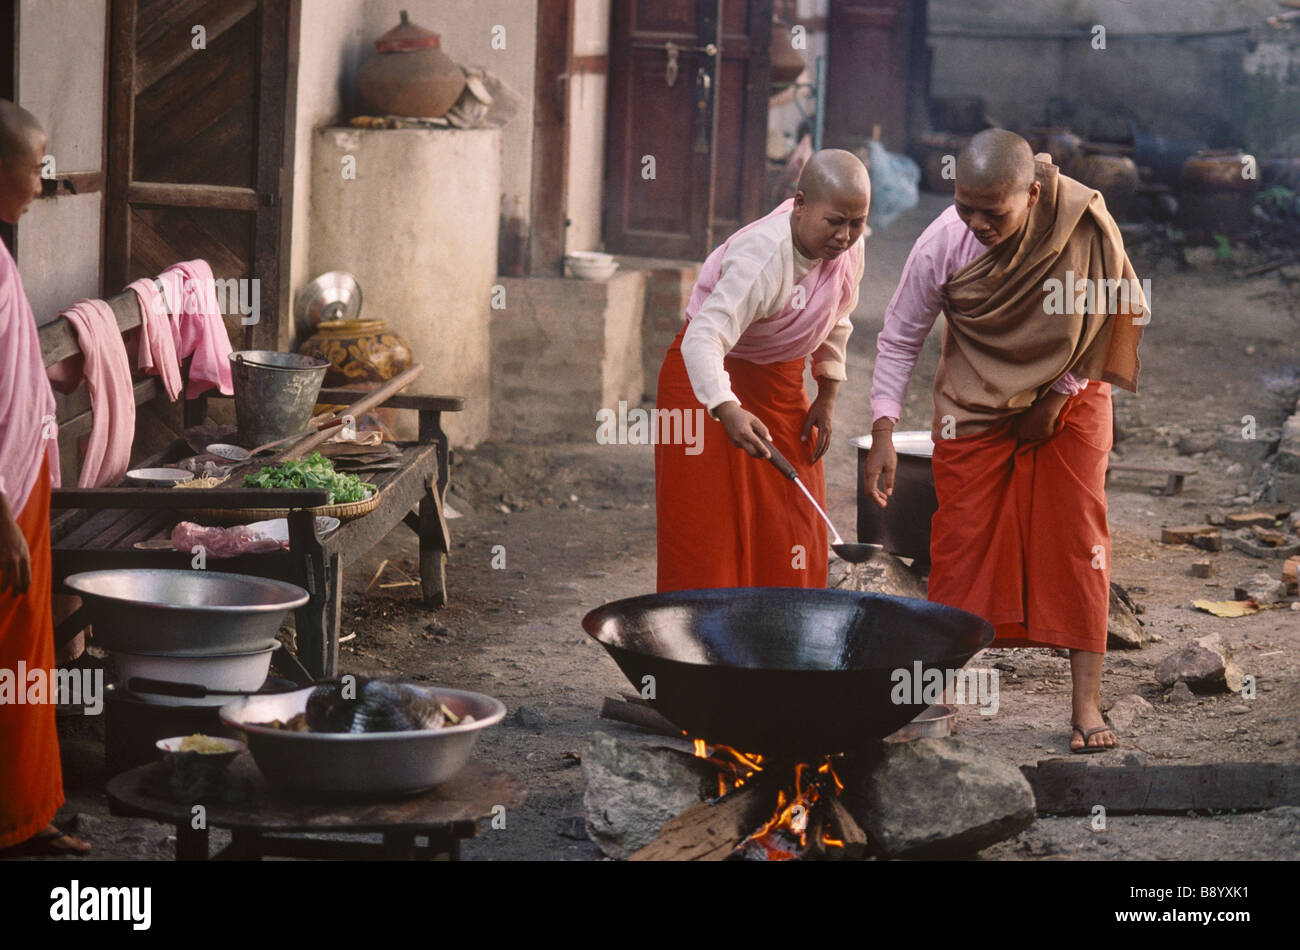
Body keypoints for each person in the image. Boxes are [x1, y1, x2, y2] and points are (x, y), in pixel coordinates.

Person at [865, 129, 1145, 753]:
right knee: (959, 541)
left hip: (1072, 397)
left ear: (1034, 193)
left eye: (994, 211)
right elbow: (900, 335)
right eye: (966, 205)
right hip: (975, 404)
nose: (977, 222)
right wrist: (884, 425)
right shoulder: (943, 241)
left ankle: (1086, 706)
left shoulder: (1081, 226)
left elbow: (1111, 313)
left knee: (1078, 541)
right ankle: (932, 695)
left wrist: (1056, 396)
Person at [656, 149, 869, 592]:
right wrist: (726, 408)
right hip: (705, 383)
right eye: (834, 222)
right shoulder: (763, 258)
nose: (844, 236)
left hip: (779, 383)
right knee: (710, 526)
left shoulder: (851, 249)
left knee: (792, 515)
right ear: (801, 203)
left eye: (856, 223)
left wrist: (827, 394)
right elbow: (703, 338)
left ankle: (784, 632)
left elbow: (838, 313)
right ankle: (709, 645)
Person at [0, 99, 91, 856]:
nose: (43, 180)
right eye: (36, 166)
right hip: (1, 500)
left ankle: (27, 815)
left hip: (19, 484)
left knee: (27, 659)